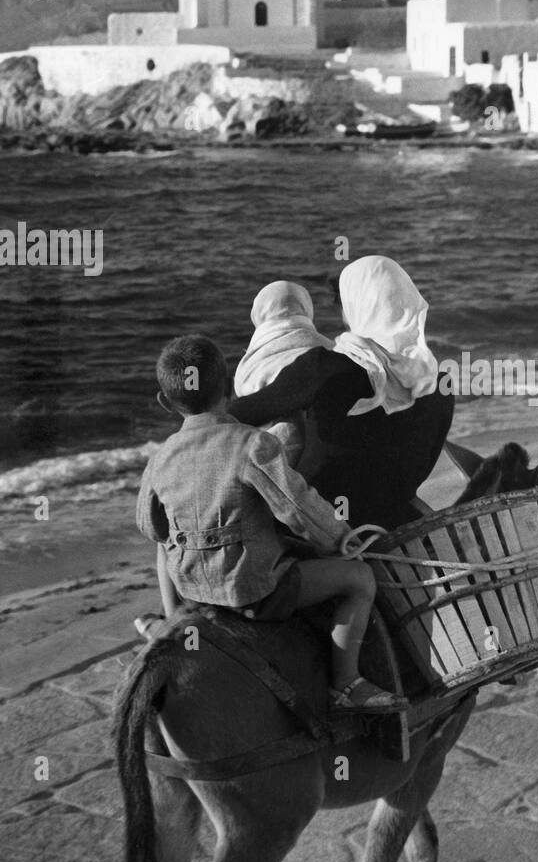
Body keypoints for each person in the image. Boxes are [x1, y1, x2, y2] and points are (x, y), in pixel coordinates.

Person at [136, 332, 406, 711]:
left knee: (165, 542)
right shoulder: (252, 445)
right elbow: (299, 509)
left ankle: (170, 621)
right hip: (255, 594)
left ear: (165, 402)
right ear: (229, 385)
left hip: (192, 591)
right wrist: (340, 539)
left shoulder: (159, 460)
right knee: (359, 580)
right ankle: (346, 684)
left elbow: (149, 528)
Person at [230, 256, 453, 532]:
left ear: (357, 306)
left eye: (344, 305)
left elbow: (240, 414)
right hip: (394, 521)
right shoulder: (438, 384)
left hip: (321, 528)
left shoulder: (324, 367)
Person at [233, 280, 333, 466]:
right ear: (307, 308)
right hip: (323, 454)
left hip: (264, 461)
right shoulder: (330, 350)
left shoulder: (252, 361)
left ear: (258, 313)